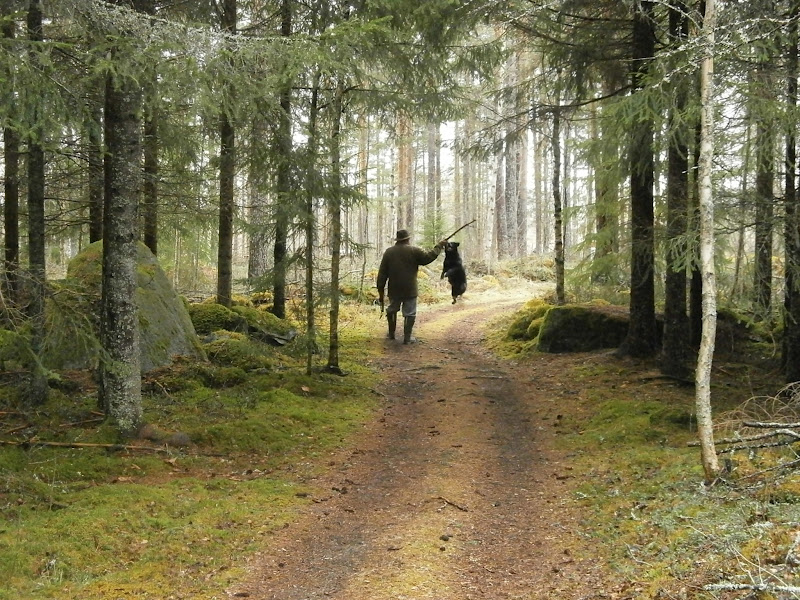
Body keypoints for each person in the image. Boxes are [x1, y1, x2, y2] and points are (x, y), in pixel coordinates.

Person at [377, 229, 446, 344]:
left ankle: (391, 334)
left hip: (394, 288)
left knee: (392, 310)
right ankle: (407, 338)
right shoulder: (414, 251)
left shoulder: (389, 252)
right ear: (408, 239)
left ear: (397, 240)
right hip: (410, 288)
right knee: (410, 313)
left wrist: (380, 290)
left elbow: (382, 273)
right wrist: (438, 246)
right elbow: (428, 258)